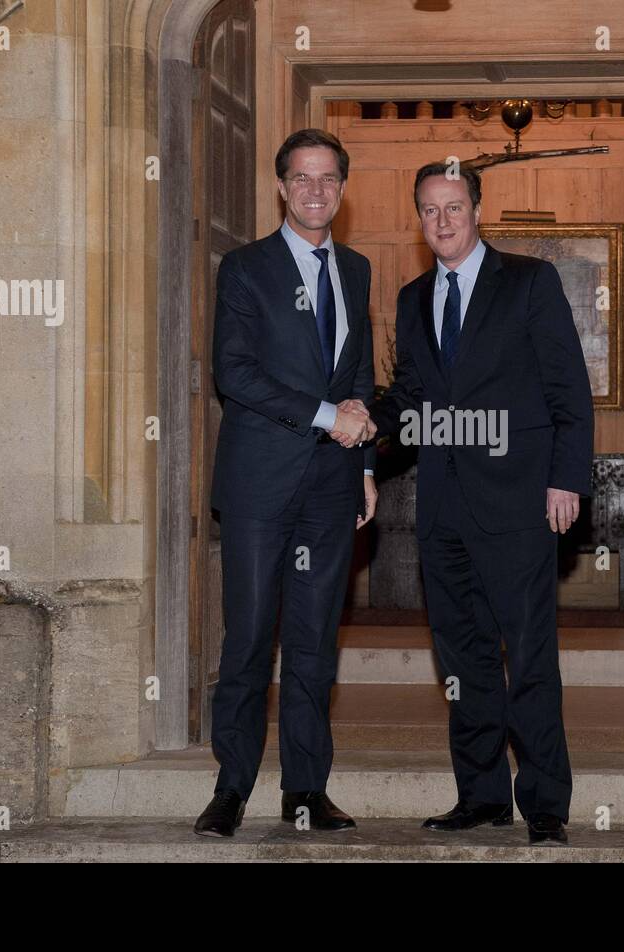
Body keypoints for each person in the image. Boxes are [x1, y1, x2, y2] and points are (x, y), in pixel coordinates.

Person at [361, 161, 594, 844]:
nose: (443, 220)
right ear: (419, 218)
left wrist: (567, 479)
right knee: (462, 660)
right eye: (430, 209)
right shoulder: (411, 299)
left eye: (454, 207)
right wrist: (360, 431)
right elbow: (411, 401)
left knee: (528, 656)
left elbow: (567, 388)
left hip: (520, 502)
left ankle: (545, 802)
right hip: (443, 509)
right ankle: (482, 794)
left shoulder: (528, 282)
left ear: (477, 208)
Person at [194, 129, 377, 837]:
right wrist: (329, 417)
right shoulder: (244, 268)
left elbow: (357, 376)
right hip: (258, 487)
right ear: (280, 187)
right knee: (247, 640)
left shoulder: (355, 269)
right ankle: (230, 789)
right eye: (301, 178)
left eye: (328, 178)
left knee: (312, 644)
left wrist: (364, 465)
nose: (315, 191)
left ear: (342, 187)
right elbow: (232, 374)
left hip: (332, 487)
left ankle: (306, 792)